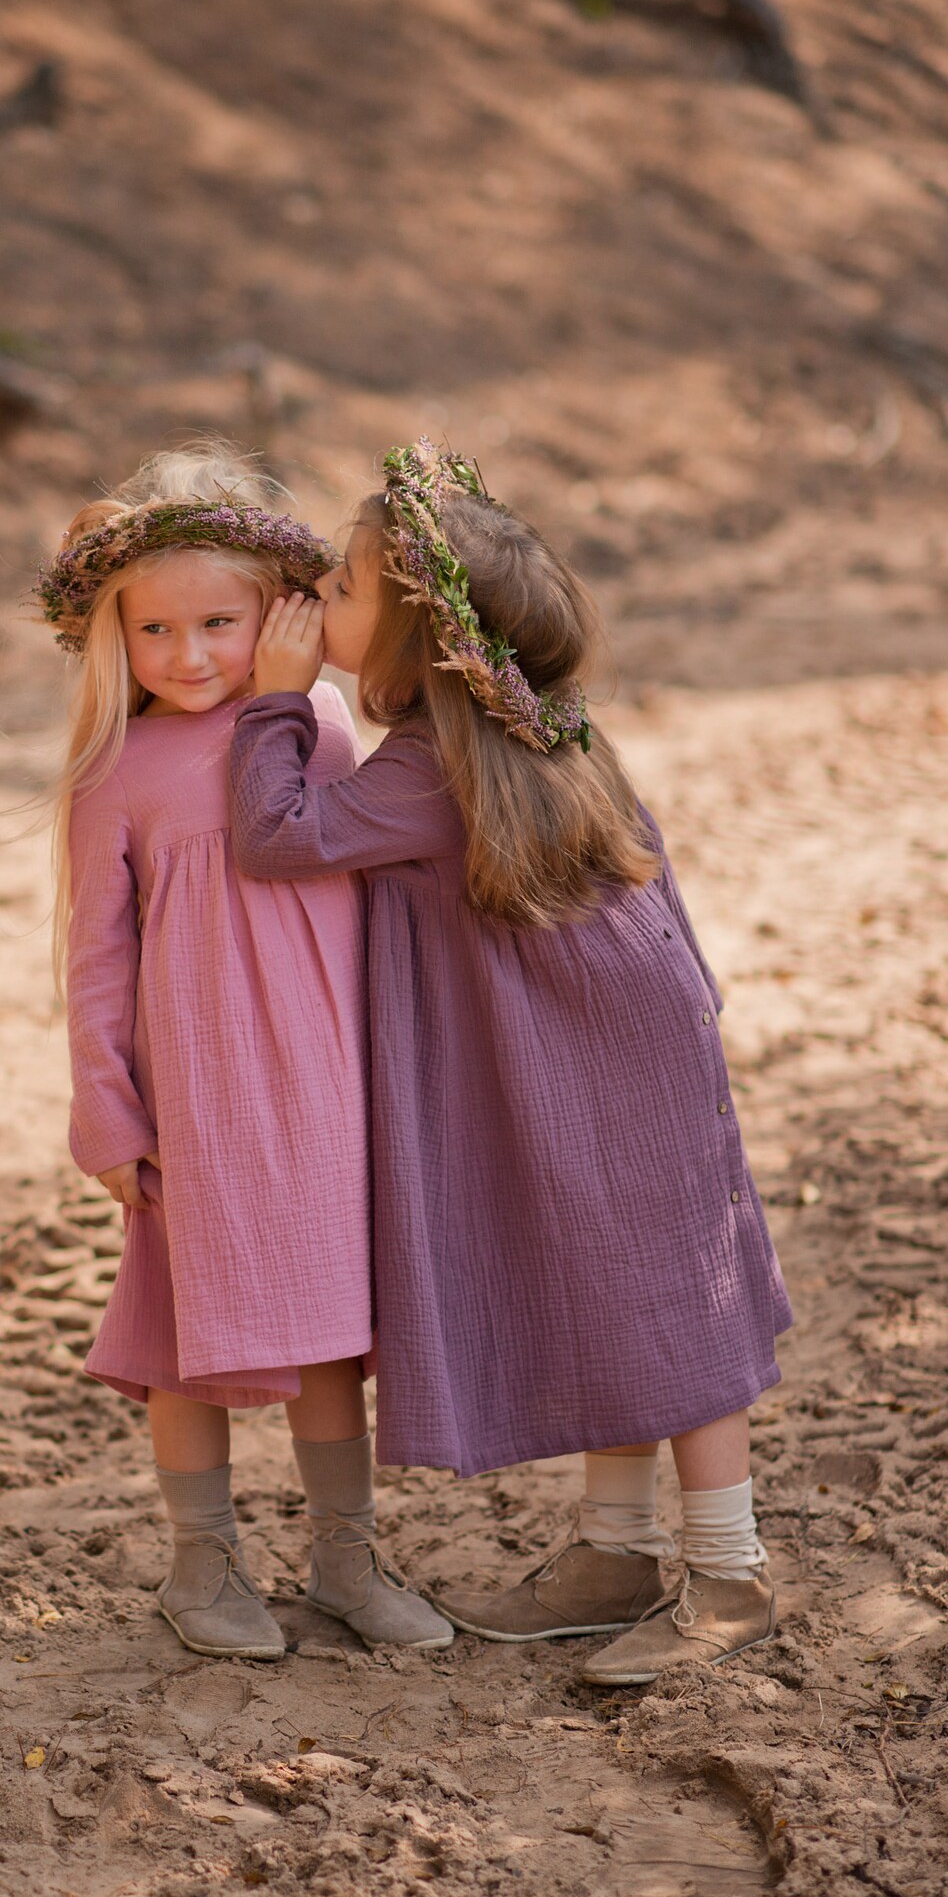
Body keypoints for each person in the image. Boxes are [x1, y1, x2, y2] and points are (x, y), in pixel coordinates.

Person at [228, 440, 791, 1685]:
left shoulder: (435, 765)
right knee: (614, 1279)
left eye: (345, 589)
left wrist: (274, 700)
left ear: (417, 635)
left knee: (662, 1302)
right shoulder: (522, 729)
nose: (320, 596)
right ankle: (614, 1551)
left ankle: (731, 1575)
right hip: (619, 1040)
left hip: (608, 1057)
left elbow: (275, 836)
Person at [44, 442, 452, 1661]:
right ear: (114, 636)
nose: (188, 656)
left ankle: (344, 1554)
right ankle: (202, 1561)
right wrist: (105, 1110)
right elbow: (96, 957)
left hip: (329, 1077)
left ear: (272, 613)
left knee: (330, 1321)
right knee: (185, 1324)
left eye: (218, 622)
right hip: (202, 1092)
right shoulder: (116, 771)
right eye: (156, 631)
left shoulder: (320, 723)